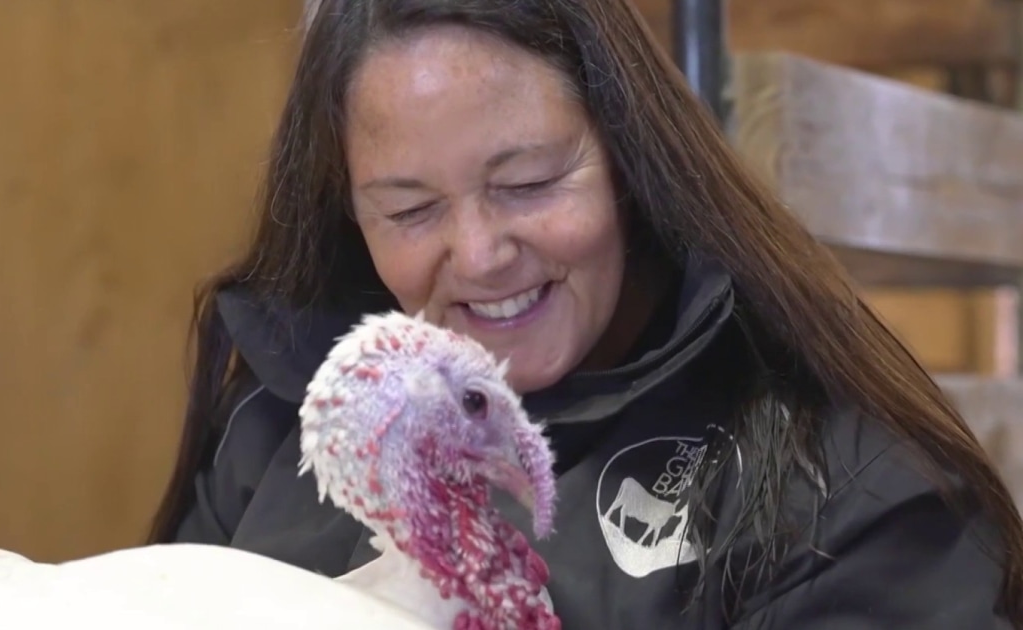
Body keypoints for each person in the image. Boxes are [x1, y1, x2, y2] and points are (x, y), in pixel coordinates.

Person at [147, 0, 1023, 627]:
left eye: (526, 184)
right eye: (410, 210)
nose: (482, 254)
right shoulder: (275, 427)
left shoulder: (840, 486)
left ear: (631, 158)